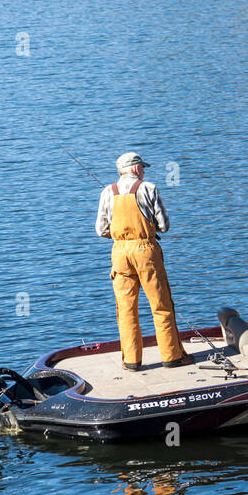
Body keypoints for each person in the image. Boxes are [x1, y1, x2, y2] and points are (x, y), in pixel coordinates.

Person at [95, 152, 193, 369]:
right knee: (161, 305)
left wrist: (122, 235)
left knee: (126, 308)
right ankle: (171, 356)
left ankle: (131, 361)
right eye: (143, 167)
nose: (144, 171)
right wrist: (147, 230)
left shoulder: (106, 192)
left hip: (119, 253)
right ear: (136, 168)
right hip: (145, 250)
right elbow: (164, 226)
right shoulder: (148, 188)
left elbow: (101, 230)